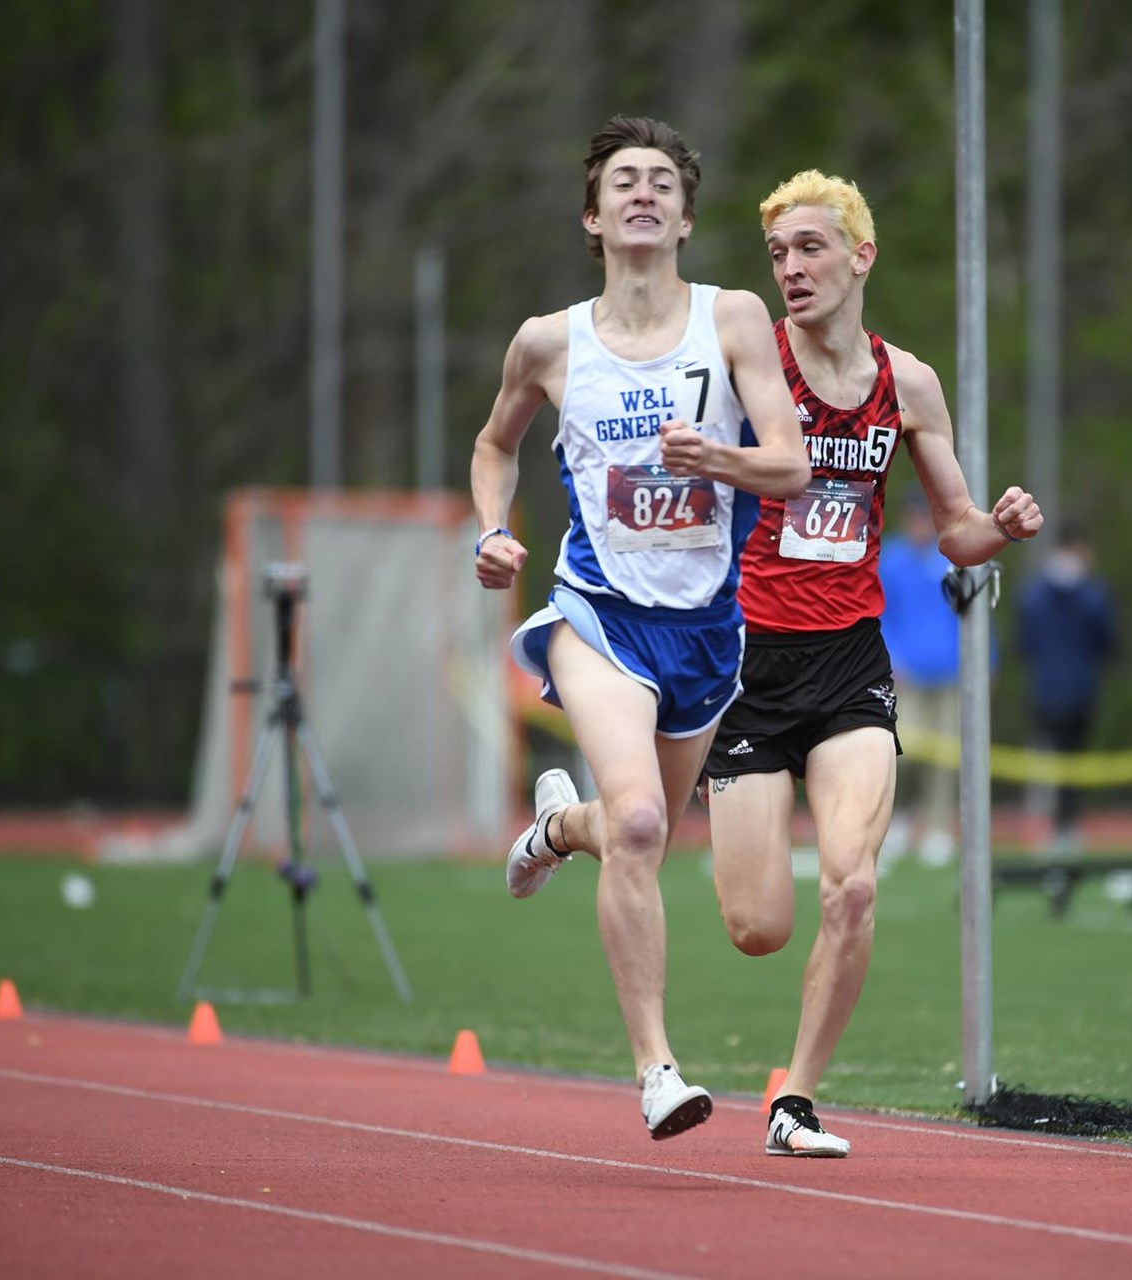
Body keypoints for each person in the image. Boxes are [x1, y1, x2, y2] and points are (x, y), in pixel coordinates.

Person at [471, 115, 809, 1142]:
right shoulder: (548, 340)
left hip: (705, 628)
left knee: (629, 835)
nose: (644, 192)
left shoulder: (737, 320)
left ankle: (549, 827)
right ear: (594, 212)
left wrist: (723, 462)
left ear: (687, 216)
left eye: (663, 180)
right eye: (625, 179)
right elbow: (494, 446)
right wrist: (491, 530)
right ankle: (658, 1068)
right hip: (595, 610)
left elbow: (790, 464)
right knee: (645, 826)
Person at [703, 168, 1041, 1155]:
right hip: (749, 663)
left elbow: (958, 532)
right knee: (757, 926)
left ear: (861, 254)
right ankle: (582, 821)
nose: (791, 269)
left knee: (851, 886)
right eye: (776, 254)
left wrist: (1001, 526)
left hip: (851, 659)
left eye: (809, 248)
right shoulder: (751, 367)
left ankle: (795, 1097)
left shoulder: (912, 383)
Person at [876, 493, 966, 866]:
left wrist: (983, 661)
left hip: (950, 673)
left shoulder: (951, 559)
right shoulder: (891, 561)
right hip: (906, 675)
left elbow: (971, 612)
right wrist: (891, 657)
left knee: (946, 757)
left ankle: (938, 826)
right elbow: (879, 612)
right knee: (903, 752)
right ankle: (896, 820)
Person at [1017, 521, 1117, 856]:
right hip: (1078, 688)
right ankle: (1064, 825)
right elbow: (1107, 640)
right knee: (1070, 760)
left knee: (1055, 760)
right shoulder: (1092, 595)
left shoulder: (1034, 592)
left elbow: (1026, 642)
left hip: (1045, 687)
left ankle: (1056, 823)